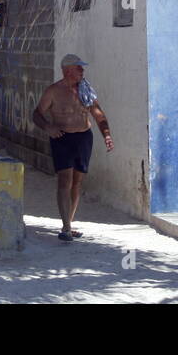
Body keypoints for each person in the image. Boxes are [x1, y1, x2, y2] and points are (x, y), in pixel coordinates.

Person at [32, 53, 112, 242]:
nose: (82, 71)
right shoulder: (53, 91)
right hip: (62, 138)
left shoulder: (86, 90)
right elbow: (37, 114)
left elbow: (99, 115)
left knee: (77, 181)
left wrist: (107, 135)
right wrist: (48, 127)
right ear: (68, 70)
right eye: (79, 68)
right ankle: (66, 227)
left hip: (83, 137)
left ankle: (69, 222)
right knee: (64, 180)